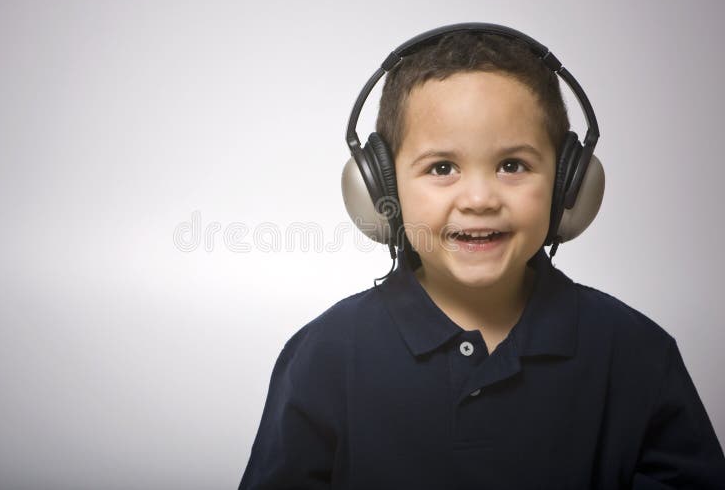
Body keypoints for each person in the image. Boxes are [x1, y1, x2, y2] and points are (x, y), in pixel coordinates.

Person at [238, 24, 725, 489]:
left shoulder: (637, 354)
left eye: (513, 165)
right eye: (442, 167)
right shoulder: (324, 355)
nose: (479, 198)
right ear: (380, 189)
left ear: (567, 185)